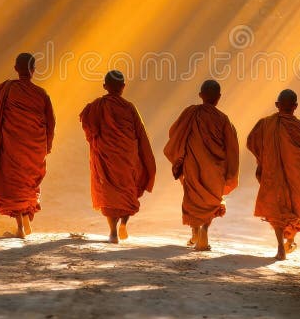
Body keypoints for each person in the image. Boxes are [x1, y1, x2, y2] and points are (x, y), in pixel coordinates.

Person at [0, 52, 56, 238]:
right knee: (27, 184)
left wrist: (1, 130)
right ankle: (25, 225)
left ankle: (21, 228)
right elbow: (51, 123)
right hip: (35, 148)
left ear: (16, 68)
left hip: (12, 145)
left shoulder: (6, 90)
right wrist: (47, 145)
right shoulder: (41, 94)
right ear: (34, 70)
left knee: (14, 183)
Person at [80, 70, 156, 243]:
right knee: (128, 190)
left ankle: (113, 232)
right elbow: (140, 134)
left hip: (106, 155)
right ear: (123, 87)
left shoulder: (97, 106)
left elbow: (89, 129)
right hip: (127, 156)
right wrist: (145, 158)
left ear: (105, 86)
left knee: (109, 192)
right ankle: (124, 224)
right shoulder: (129, 107)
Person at [246, 89, 300, 260]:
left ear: (277, 105)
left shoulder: (266, 124)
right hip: (297, 177)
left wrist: (264, 157)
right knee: (295, 208)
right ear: (295, 106)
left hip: (273, 174)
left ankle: (281, 246)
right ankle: (290, 240)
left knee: (277, 208)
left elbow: (251, 142)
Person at [164, 79, 239, 251]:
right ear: (218, 97)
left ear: (200, 95)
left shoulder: (190, 113)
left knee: (193, 197)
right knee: (210, 200)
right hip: (215, 168)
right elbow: (232, 147)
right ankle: (204, 230)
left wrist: (181, 155)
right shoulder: (223, 119)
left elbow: (174, 132)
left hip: (192, 165)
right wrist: (231, 171)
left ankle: (195, 233)